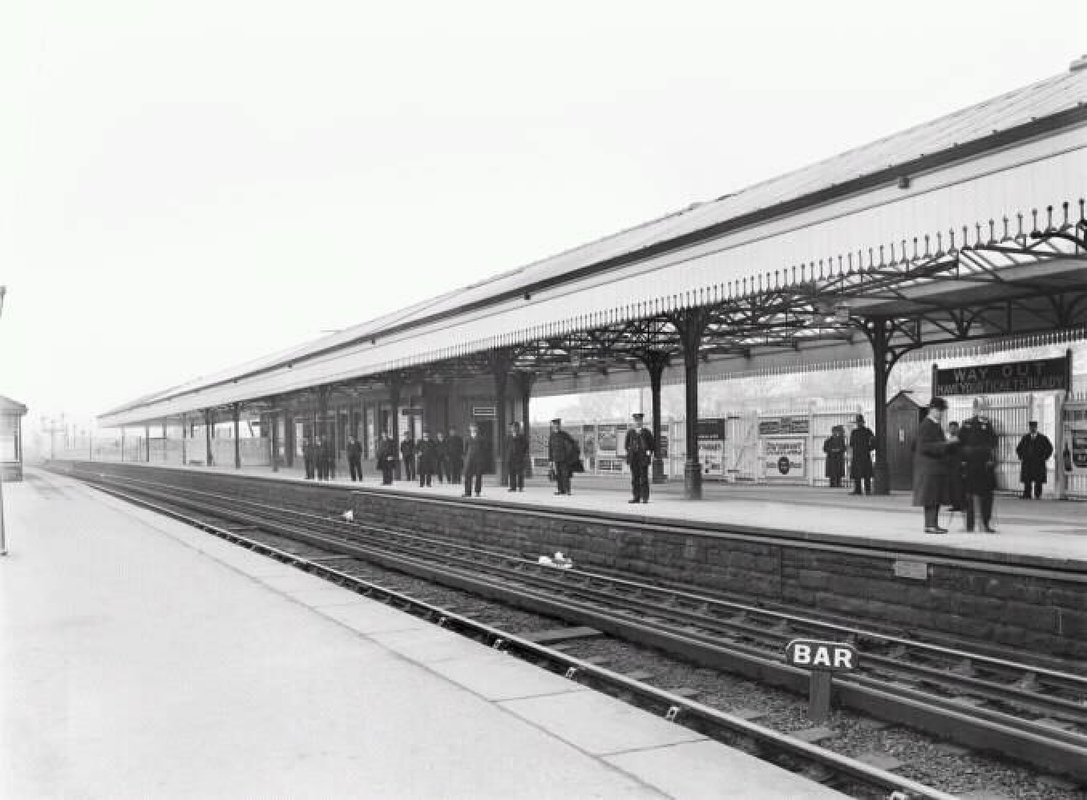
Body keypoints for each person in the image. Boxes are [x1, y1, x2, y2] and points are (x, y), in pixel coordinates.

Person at [912, 397, 957, 534]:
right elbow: (924, 447)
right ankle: (930, 525)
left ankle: (932, 524)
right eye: (939, 410)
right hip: (929, 468)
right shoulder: (927, 425)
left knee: (935, 496)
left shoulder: (934, 425)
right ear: (932, 409)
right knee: (931, 497)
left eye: (942, 411)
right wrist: (946, 443)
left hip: (933, 467)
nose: (941, 413)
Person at [958, 397, 998, 532]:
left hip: (984, 465)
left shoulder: (987, 424)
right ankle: (970, 525)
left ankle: (985, 524)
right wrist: (963, 460)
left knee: (987, 496)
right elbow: (961, 443)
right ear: (974, 409)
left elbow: (993, 443)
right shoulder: (967, 424)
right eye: (978, 407)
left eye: (981, 408)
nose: (980, 410)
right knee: (969, 496)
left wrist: (990, 457)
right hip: (972, 465)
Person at [1016, 421, 1053, 499]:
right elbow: (1018, 448)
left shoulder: (1043, 438)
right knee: (1027, 479)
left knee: (1038, 479)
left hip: (1038, 462)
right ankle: (1027, 494)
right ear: (1029, 428)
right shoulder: (1025, 438)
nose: (1032, 429)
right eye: (1031, 427)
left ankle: (1037, 494)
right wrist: (1021, 456)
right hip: (1028, 462)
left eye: (1034, 427)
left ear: (1036, 428)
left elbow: (1050, 448)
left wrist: (1045, 457)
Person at [624, 412, 655, 503]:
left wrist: (647, 455)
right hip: (634, 459)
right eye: (636, 420)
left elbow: (652, 446)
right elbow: (626, 445)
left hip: (643, 459)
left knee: (644, 479)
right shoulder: (630, 432)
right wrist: (631, 453)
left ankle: (645, 497)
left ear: (642, 421)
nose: (638, 422)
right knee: (635, 479)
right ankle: (636, 497)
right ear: (634, 421)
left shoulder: (646, 432)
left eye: (639, 420)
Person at [548, 418, 579, 496]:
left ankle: (567, 490)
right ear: (552, 425)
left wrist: (570, 455)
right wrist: (550, 460)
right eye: (554, 424)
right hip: (556, 458)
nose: (556, 426)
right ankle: (560, 490)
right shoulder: (551, 436)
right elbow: (550, 448)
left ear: (560, 425)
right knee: (558, 475)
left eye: (557, 424)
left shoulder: (564, 434)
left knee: (565, 475)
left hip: (564, 458)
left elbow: (573, 443)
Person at [849, 414, 875, 495]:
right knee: (857, 474)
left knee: (866, 474)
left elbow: (873, 441)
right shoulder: (854, 432)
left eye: (859, 422)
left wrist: (869, 448)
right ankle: (858, 490)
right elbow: (851, 444)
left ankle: (868, 490)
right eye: (857, 422)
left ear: (862, 422)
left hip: (864, 455)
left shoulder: (868, 431)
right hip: (857, 455)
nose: (858, 424)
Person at [462, 423, 486, 497]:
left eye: (475, 427)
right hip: (469, 460)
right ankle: (467, 492)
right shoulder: (467, 438)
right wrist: (466, 459)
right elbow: (465, 450)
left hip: (479, 460)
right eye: (472, 427)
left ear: (477, 429)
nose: (473, 428)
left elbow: (484, 449)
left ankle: (477, 492)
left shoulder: (481, 438)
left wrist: (482, 458)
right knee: (467, 476)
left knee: (478, 476)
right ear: (469, 428)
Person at [504, 421, 528, 492]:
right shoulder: (508, 437)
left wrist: (521, 453)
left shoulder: (522, 437)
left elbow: (526, 446)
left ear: (518, 428)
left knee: (520, 473)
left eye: (514, 427)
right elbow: (506, 447)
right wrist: (507, 456)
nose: (513, 429)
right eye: (512, 427)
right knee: (511, 473)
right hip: (510, 458)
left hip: (519, 458)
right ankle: (512, 487)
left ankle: (520, 487)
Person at [946, 421, 965, 512]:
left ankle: (962, 505)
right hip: (951, 465)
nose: (952, 429)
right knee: (952, 486)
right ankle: (955, 505)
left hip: (958, 464)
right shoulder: (950, 438)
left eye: (954, 428)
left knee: (959, 486)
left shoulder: (960, 438)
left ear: (957, 428)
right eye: (950, 428)